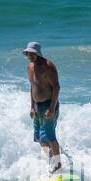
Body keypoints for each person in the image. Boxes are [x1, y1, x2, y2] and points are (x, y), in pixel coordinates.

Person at [24, 41, 61, 172]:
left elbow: (56, 87)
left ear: (38, 53)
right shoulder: (29, 67)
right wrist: (32, 106)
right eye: (29, 53)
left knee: (50, 136)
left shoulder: (48, 66)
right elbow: (32, 87)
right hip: (37, 106)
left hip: (48, 104)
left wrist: (51, 108)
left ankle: (57, 164)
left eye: (33, 53)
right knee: (39, 138)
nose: (31, 55)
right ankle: (53, 157)